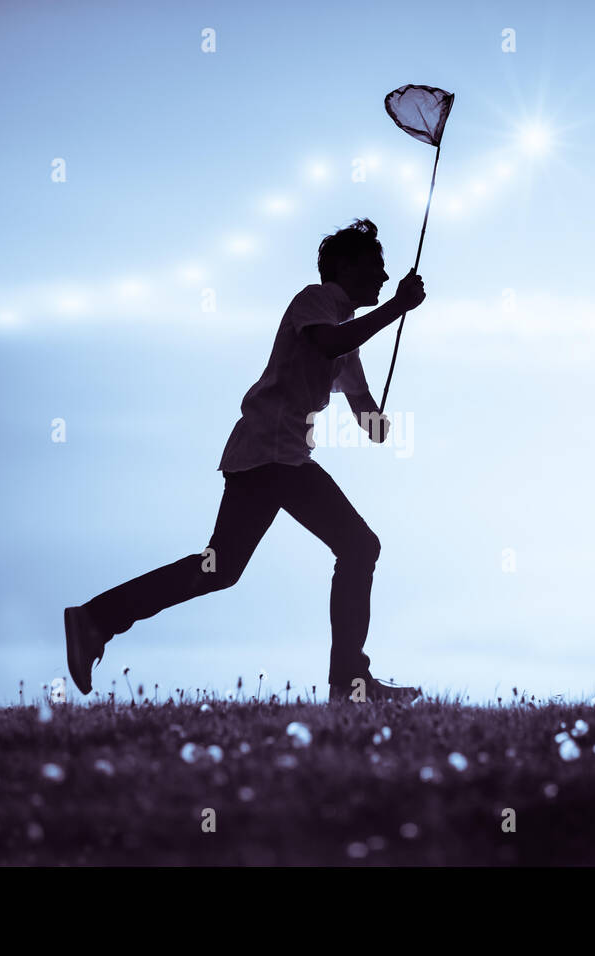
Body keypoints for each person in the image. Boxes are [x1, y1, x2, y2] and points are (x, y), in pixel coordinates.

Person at [64, 218, 426, 704]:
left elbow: (365, 415)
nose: (383, 277)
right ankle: (349, 683)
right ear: (342, 266)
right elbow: (326, 343)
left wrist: (380, 423)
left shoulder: (347, 334)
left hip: (268, 458)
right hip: (273, 456)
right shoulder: (316, 302)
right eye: (375, 266)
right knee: (359, 547)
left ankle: (96, 618)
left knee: (220, 569)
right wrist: (396, 309)